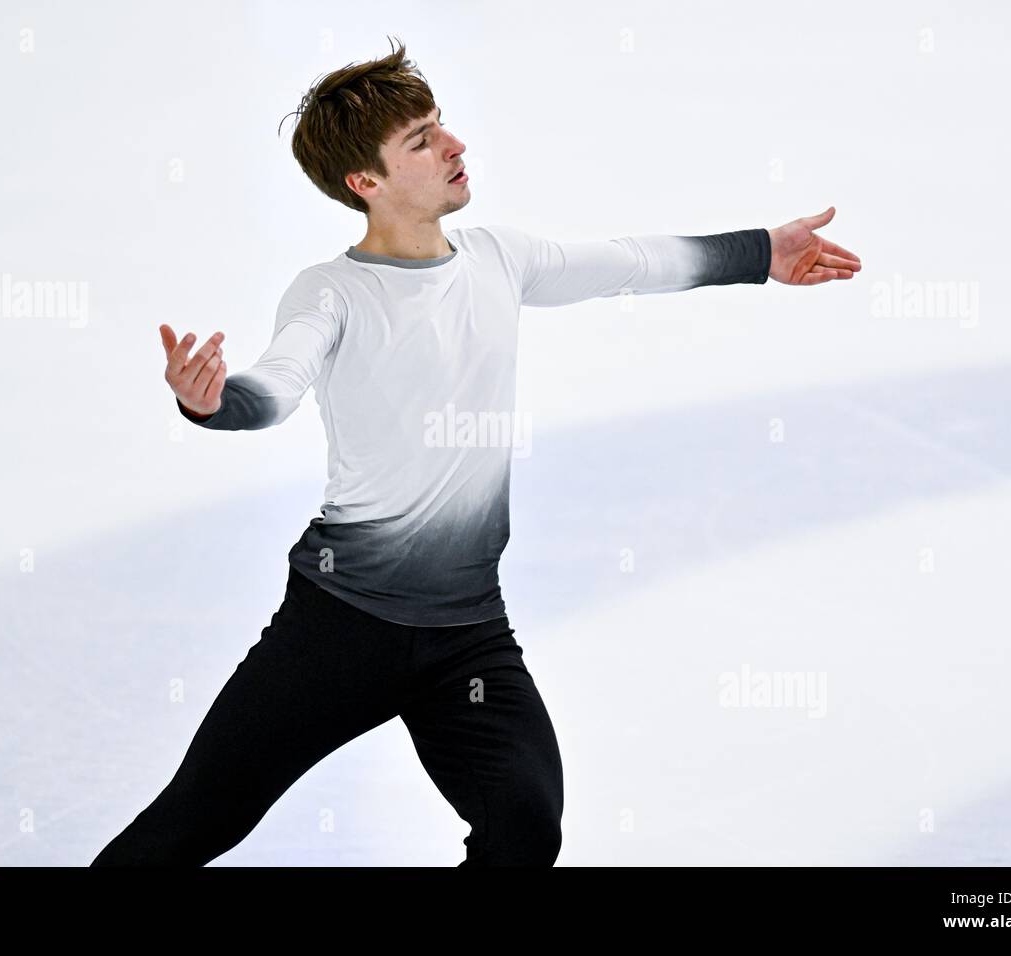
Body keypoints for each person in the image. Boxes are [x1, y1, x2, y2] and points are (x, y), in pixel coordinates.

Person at [91, 36, 861, 867]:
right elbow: (277, 385)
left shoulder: (499, 259)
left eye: (440, 126)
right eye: (420, 141)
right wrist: (212, 402)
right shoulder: (333, 293)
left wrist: (761, 252)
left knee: (524, 828)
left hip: (467, 636)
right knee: (188, 829)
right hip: (339, 632)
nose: (453, 146)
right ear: (366, 184)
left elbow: (632, 263)